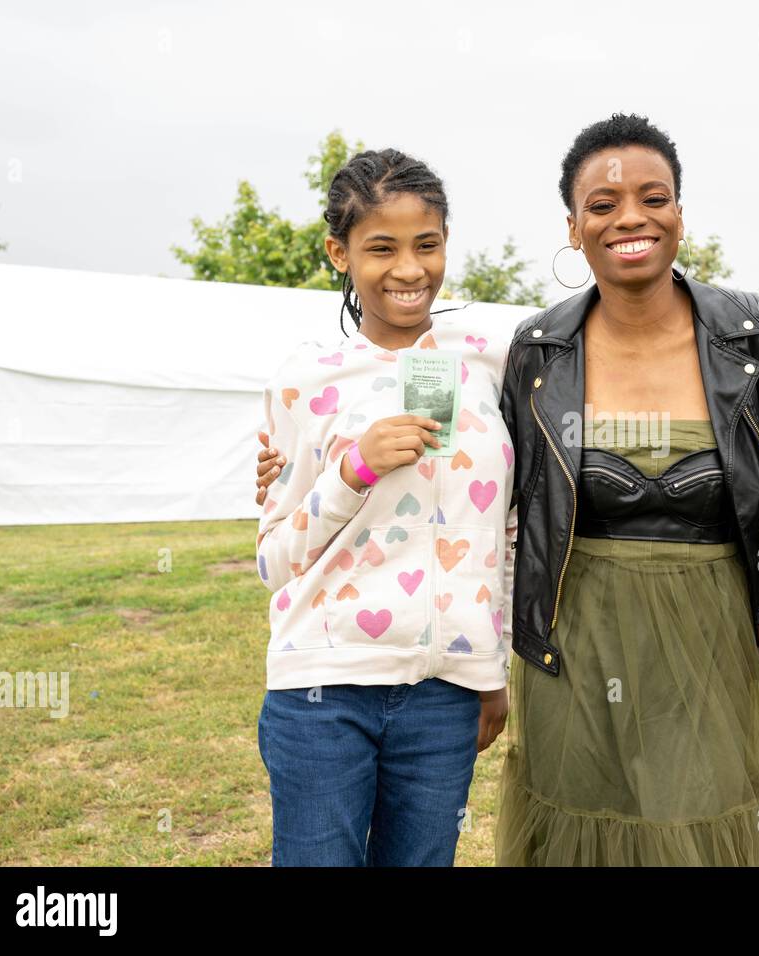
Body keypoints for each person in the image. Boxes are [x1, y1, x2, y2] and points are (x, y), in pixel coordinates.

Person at [494, 113, 759, 865]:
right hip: (574, 644)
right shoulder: (537, 350)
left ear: (680, 216)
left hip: (715, 644)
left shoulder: (750, 336)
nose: (631, 217)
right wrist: (308, 459)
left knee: (701, 829)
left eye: (653, 198)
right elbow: (481, 480)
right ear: (573, 227)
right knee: (582, 830)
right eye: (603, 204)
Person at [253, 149, 514, 866]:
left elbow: (508, 529)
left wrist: (491, 667)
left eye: (426, 244)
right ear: (340, 253)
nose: (409, 269)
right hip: (322, 692)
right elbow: (272, 559)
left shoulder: (492, 362)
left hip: (444, 695)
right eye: (381, 248)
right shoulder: (306, 379)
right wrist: (352, 468)